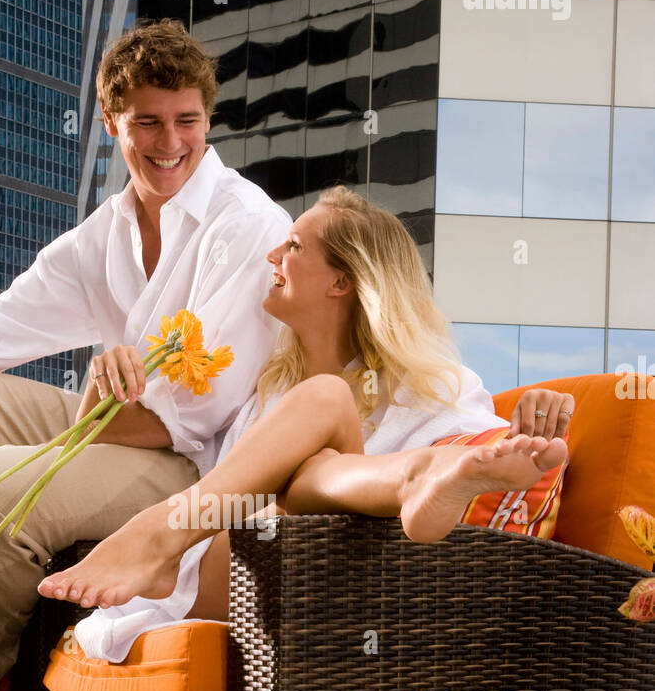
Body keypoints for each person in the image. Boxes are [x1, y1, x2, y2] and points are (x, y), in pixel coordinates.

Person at [0, 20, 292, 691]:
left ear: (208, 119)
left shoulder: (244, 226)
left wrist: (89, 410)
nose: (170, 142)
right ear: (113, 122)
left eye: (188, 121)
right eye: (147, 122)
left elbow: (196, 418)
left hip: (203, 468)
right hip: (125, 427)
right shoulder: (105, 234)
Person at [36, 187, 572, 661]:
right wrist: (102, 380)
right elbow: (94, 433)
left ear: (341, 280)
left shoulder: (427, 384)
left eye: (293, 246)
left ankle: (160, 535)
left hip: (316, 583)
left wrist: (536, 410)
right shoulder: (262, 387)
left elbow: (493, 446)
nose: (272, 255)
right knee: (323, 420)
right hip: (229, 567)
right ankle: (414, 476)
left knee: (321, 446)